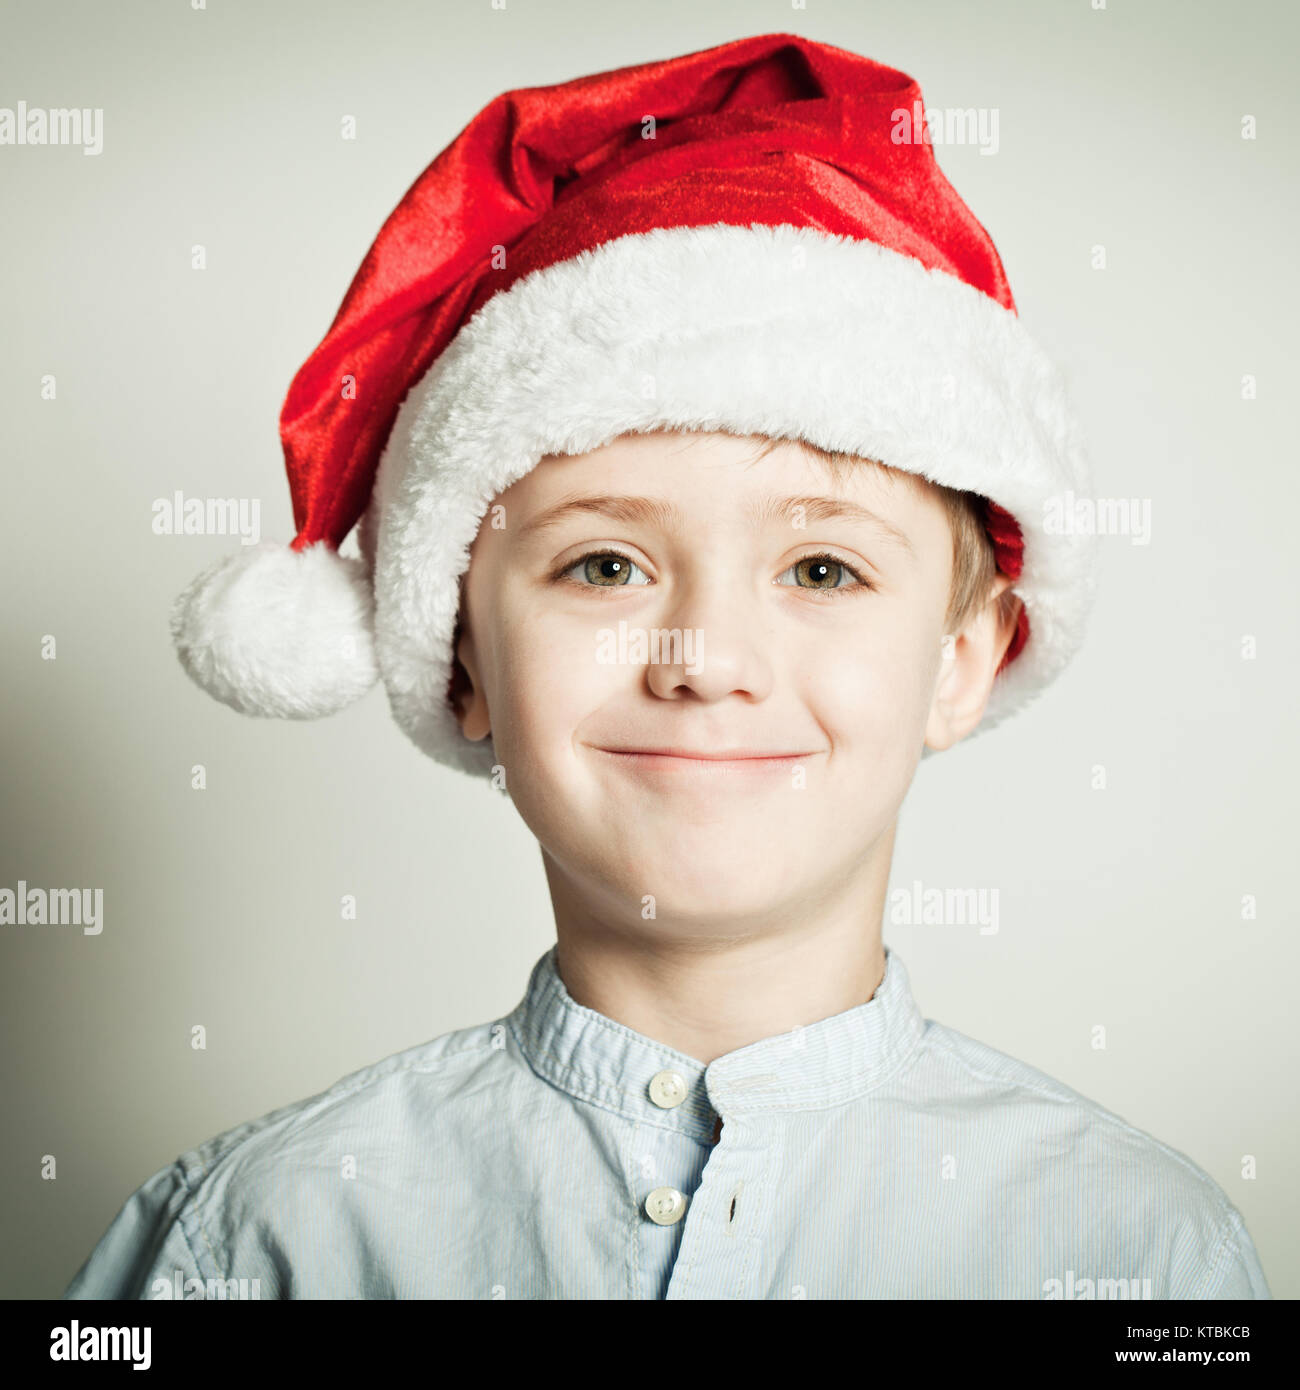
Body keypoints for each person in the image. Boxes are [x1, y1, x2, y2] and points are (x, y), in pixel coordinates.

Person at [64, 32, 1269, 1300]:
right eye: (603, 566)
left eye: (822, 571)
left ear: (962, 661)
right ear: (460, 657)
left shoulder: (1144, 1255)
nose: (705, 663)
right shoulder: (250, 1242)